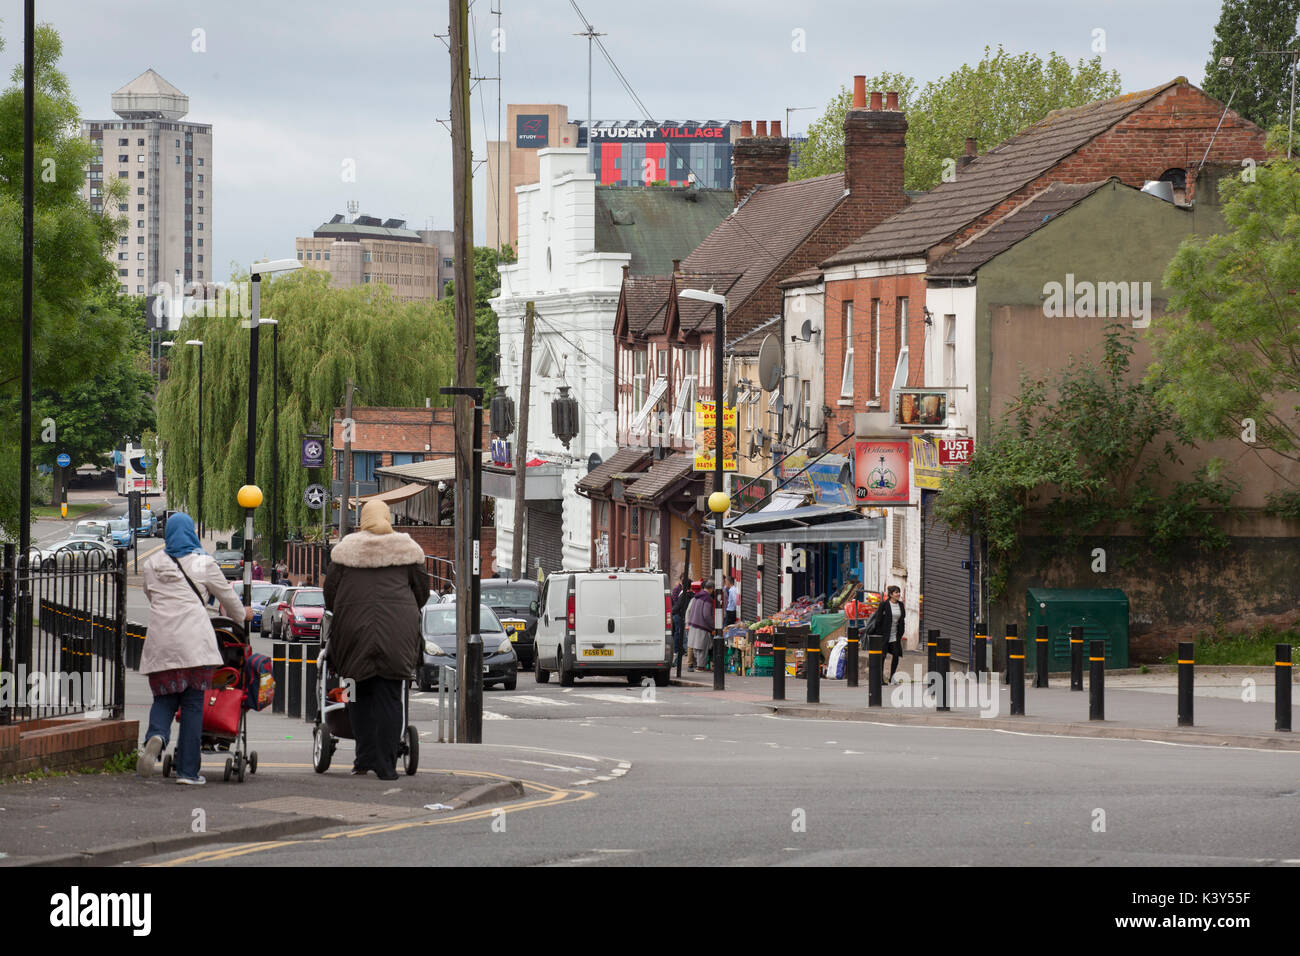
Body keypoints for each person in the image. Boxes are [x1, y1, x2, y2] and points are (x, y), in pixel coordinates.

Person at [137, 512, 251, 785]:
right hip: (194, 644)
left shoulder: (152, 564)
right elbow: (227, 597)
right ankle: (188, 772)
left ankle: (157, 736)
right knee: (191, 704)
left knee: (164, 699)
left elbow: (149, 593)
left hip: (161, 641)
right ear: (191, 533)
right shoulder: (203, 563)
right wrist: (242, 615)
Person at [324, 499, 429, 780]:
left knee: (356, 696)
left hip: (352, 637)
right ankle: (386, 766)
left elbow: (330, 596)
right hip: (398, 636)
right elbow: (423, 594)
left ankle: (364, 759)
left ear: (363, 520)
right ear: (388, 518)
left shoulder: (344, 551)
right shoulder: (407, 550)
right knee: (391, 698)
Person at [870, 585, 906, 684]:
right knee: (882, 656)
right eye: (896, 592)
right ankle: (880, 678)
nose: (898, 594)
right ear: (890, 594)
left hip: (895, 634)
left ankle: (892, 677)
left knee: (896, 654)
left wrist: (901, 632)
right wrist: (879, 635)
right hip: (884, 635)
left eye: (899, 592)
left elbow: (902, 619)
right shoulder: (884, 605)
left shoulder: (901, 605)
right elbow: (878, 620)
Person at [686, 582, 714, 672]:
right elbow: (706, 615)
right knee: (702, 648)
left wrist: (688, 623)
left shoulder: (695, 597)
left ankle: (698, 665)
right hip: (702, 626)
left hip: (693, 625)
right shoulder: (707, 598)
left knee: (696, 647)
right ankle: (700, 666)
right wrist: (713, 625)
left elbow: (689, 610)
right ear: (711, 588)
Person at [670, 572, 692, 666]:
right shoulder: (692, 595)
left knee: (680, 638)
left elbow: (677, 606)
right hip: (686, 619)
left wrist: (671, 612)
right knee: (683, 638)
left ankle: (677, 660)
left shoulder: (683, 594)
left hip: (681, 618)